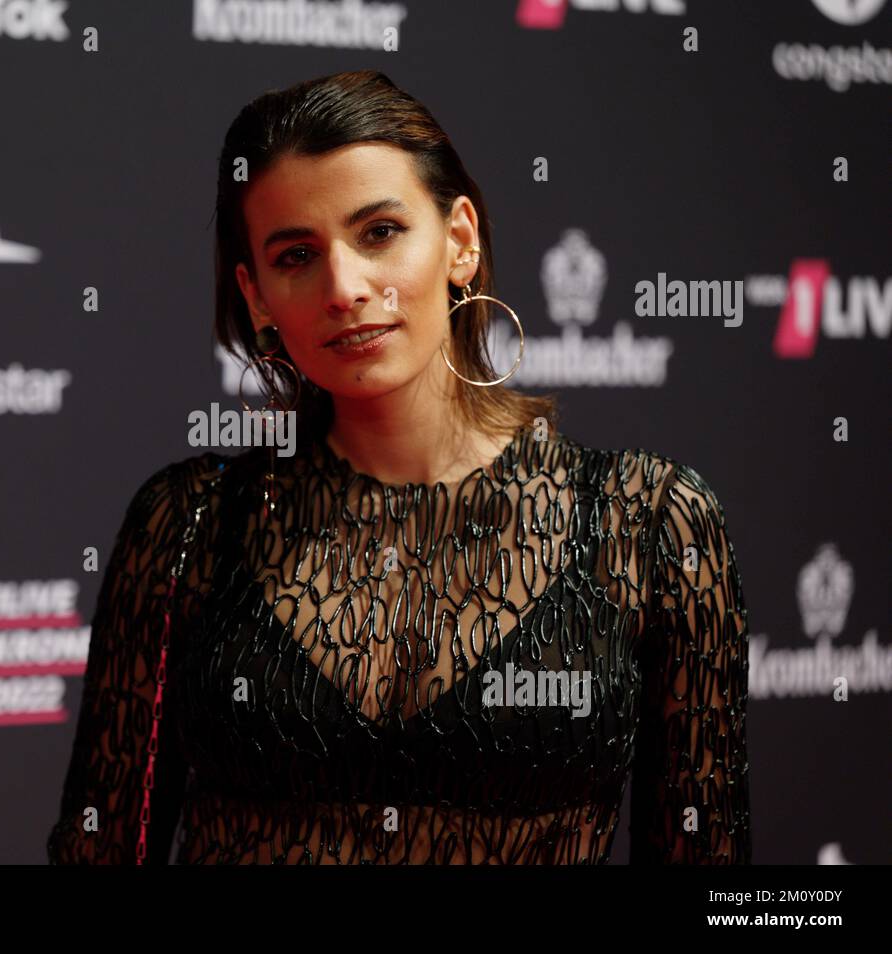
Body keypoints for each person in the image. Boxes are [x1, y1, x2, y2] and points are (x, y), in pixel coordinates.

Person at [46, 70, 750, 864]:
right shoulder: (190, 523)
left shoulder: (648, 521)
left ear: (460, 241)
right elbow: (97, 847)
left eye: (379, 231)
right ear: (257, 297)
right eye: (297, 255)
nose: (343, 288)